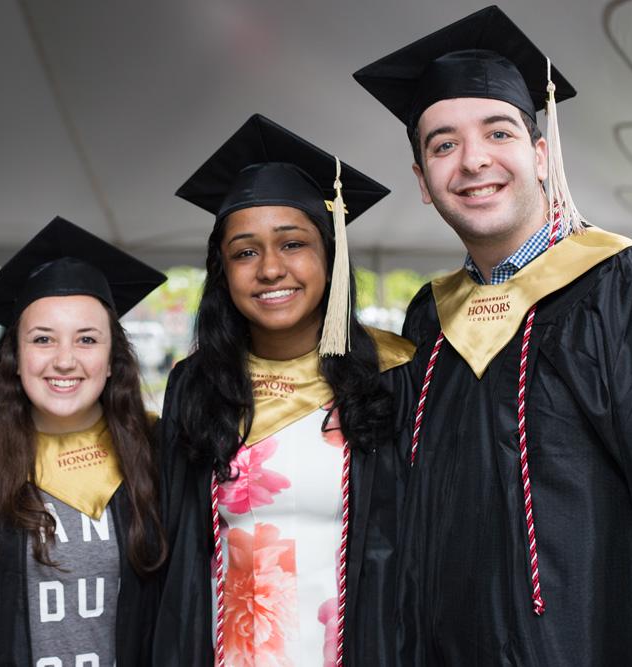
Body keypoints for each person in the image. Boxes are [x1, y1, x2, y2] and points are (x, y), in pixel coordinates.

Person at [354, 6, 632, 664]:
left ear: (540, 153)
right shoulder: (429, 320)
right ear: (423, 182)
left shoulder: (626, 288)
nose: (473, 160)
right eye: (443, 145)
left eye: (497, 132)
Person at [155, 114, 415, 666]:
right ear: (222, 272)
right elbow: (180, 560)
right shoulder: (196, 386)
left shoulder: (394, 376)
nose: (271, 269)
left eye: (293, 244)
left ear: (330, 257)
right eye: (245, 252)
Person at [0, 217, 168, 666]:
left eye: (86, 339)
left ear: (112, 359)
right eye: (43, 339)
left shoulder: (158, 453)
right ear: (16, 358)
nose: (65, 360)